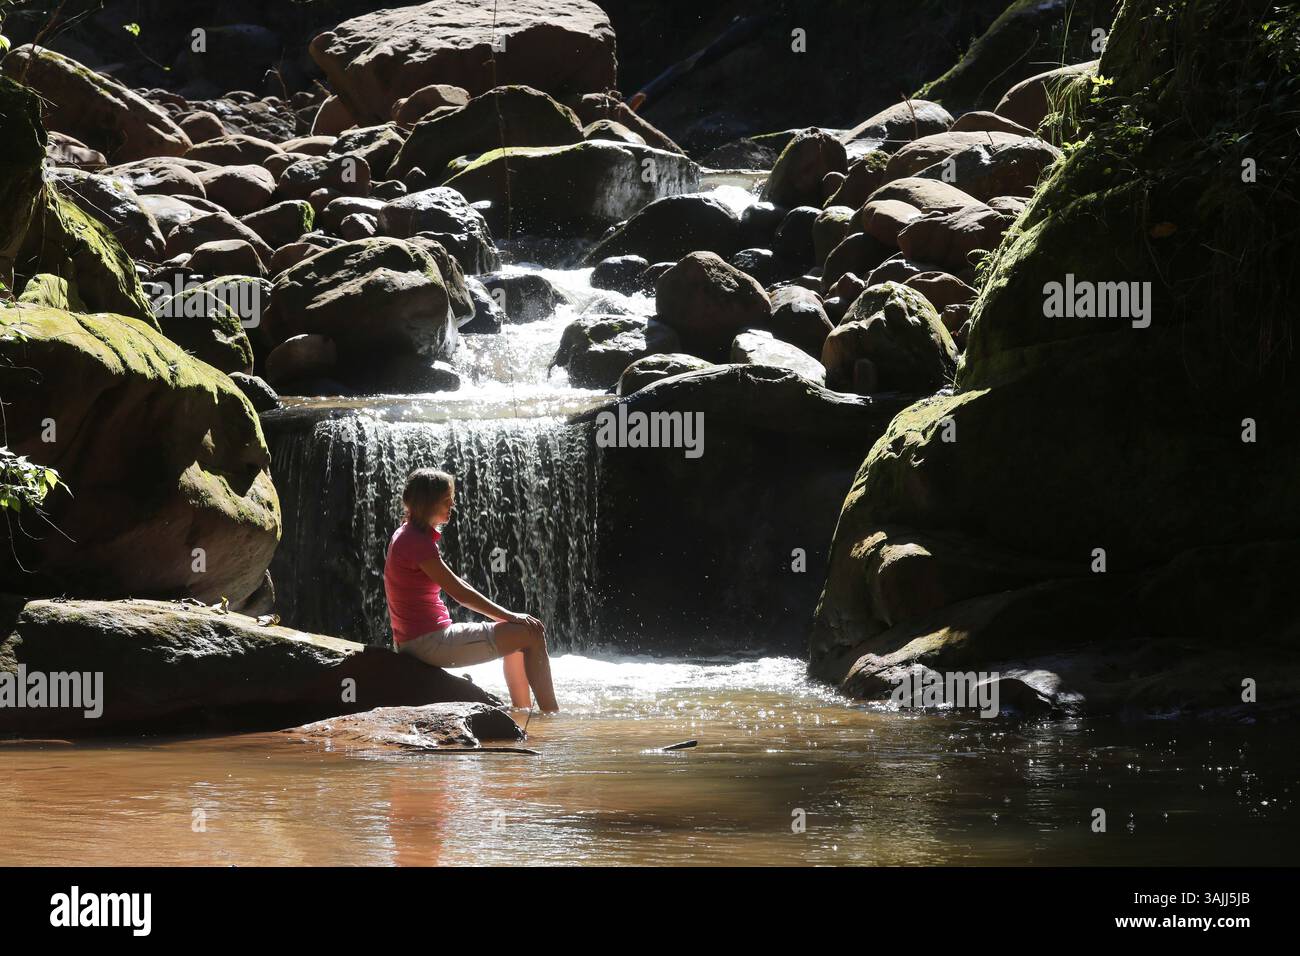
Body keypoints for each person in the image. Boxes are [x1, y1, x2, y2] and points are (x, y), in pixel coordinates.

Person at [383, 468, 559, 712]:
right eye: (447, 499)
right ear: (428, 502)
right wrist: (509, 616)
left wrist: (505, 617)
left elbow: (459, 583)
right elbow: (460, 594)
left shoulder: (407, 534)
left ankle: (522, 712)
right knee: (531, 634)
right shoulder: (415, 542)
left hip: (420, 640)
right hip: (429, 643)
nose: (452, 504)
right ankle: (551, 716)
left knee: (519, 636)